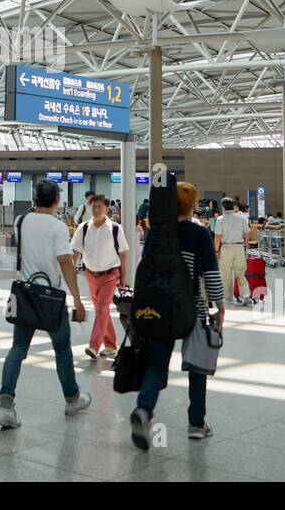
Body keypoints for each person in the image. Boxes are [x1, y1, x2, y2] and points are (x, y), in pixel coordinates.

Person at [131, 181, 224, 448]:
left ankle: (144, 410)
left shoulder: (155, 234)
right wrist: (220, 306)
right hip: (191, 309)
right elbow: (211, 274)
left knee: (157, 364)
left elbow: (144, 269)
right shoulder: (199, 234)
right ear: (191, 205)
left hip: (159, 308)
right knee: (197, 366)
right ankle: (196, 423)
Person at [0, 178, 90, 429]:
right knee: (62, 350)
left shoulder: (21, 221)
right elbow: (65, 263)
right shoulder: (58, 227)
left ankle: (6, 405)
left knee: (18, 348)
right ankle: (72, 399)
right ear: (57, 200)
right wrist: (78, 300)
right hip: (50, 297)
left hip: (24, 294)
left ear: (35, 199)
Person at [71, 194, 129, 359]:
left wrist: (123, 276)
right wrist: (72, 268)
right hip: (91, 275)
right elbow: (75, 251)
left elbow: (123, 254)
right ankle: (110, 345)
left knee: (102, 309)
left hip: (110, 275)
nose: (95, 210)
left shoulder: (115, 228)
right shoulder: (83, 228)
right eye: (93, 206)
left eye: (99, 207)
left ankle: (94, 346)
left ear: (107, 209)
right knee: (100, 311)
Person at [215, 201, 250, 306]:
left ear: (223, 207)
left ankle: (229, 298)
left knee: (226, 274)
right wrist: (246, 244)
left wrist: (216, 250)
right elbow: (247, 232)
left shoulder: (220, 219)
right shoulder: (241, 218)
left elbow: (217, 236)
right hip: (239, 246)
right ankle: (245, 294)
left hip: (226, 247)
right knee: (240, 273)